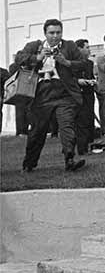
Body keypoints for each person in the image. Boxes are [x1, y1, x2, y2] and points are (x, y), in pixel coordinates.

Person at [15, 19, 87, 172]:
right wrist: (37, 58)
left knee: (67, 126)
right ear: (45, 33)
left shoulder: (69, 46)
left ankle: (69, 159)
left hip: (64, 92)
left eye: (58, 32)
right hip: (42, 92)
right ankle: (29, 164)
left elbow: (83, 64)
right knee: (37, 130)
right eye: (51, 33)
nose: (55, 36)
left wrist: (66, 62)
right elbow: (18, 59)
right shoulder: (34, 46)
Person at [73, 39, 97, 155]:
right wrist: (78, 81)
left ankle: (89, 144)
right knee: (81, 121)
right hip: (77, 94)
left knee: (89, 119)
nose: (89, 50)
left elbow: (91, 76)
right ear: (79, 49)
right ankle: (81, 148)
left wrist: (92, 81)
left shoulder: (89, 63)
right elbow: (67, 78)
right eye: (87, 47)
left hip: (89, 94)